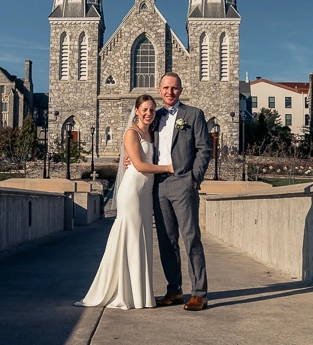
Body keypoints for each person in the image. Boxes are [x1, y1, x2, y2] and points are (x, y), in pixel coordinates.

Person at [74, 94, 174, 309]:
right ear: (136, 111)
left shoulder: (151, 133)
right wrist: (168, 168)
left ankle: (140, 293)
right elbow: (139, 165)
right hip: (133, 191)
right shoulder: (131, 133)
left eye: (152, 110)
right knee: (130, 237)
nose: (148, 113)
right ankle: (125, 293)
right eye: (144, 109)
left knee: (142, 239)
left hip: (146, 192)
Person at [126, 72, 211, 311]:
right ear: (160, 90)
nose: (169, 92)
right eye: (165, 88)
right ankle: (174, 290)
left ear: (180, 90)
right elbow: (139, 142)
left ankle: (199, 293)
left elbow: (204, 149)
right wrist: (128, 159)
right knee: (166, 240)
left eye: (174, 88)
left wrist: (194, 179)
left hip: (183, 183)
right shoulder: (155, 116)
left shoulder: (193, 115)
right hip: (158, 185)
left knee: (191, 238)